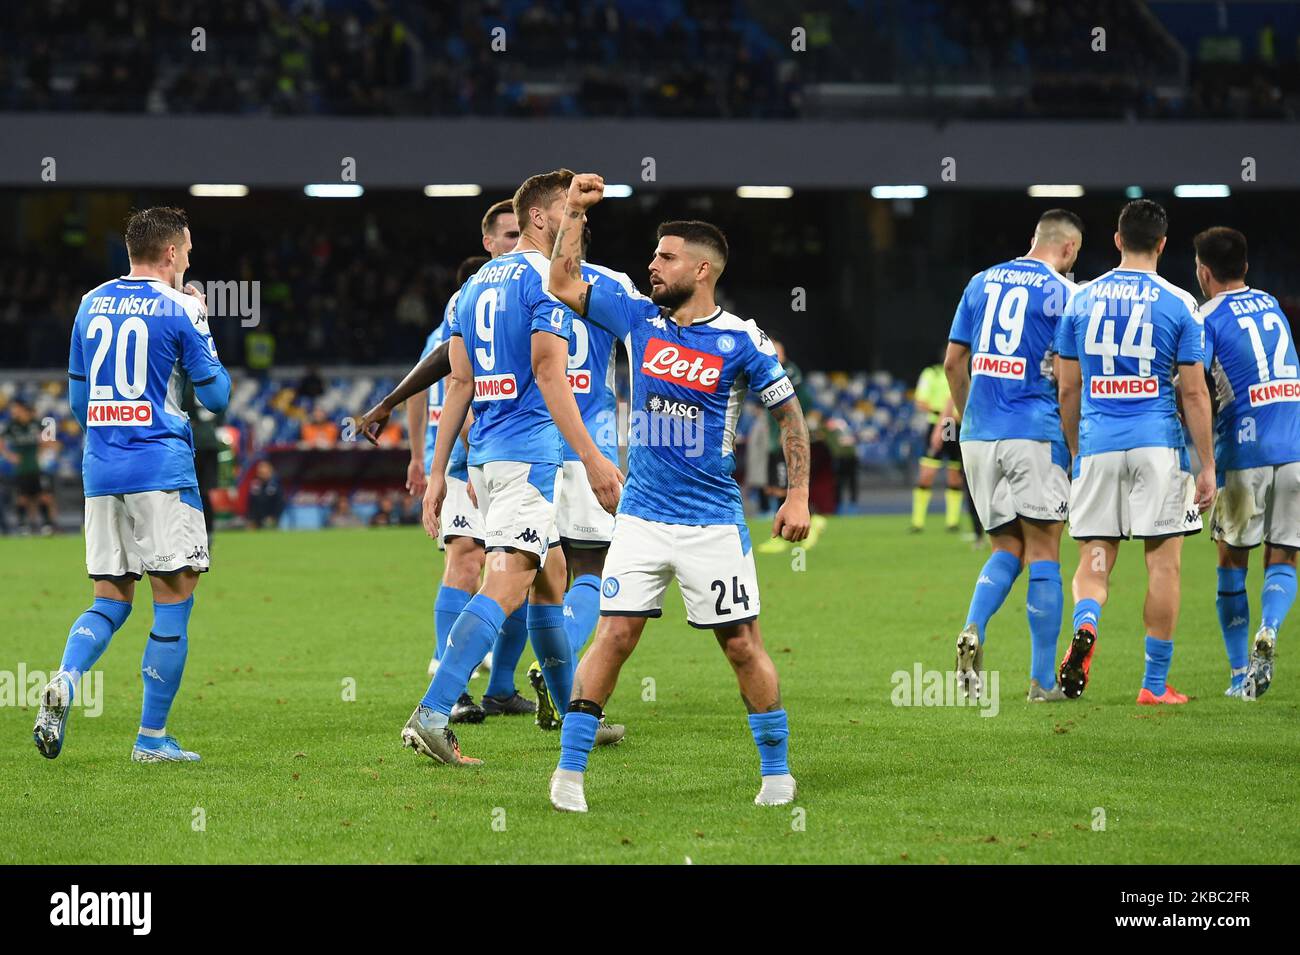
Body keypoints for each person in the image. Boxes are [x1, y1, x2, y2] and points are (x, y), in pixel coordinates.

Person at [545, 173, 811, 813]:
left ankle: (777, 774)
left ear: (703, 268)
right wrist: (574, 215)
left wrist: (797, 494)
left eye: (665, 258)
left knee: (742, 644)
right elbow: (560, 283)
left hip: (713, 522)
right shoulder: (637, 316)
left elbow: (791, 417)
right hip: (640, 516)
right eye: (654, 256)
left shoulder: (743, 341)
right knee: (614, 637)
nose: (652, 266)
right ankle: (568, 775)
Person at [401, 169, 625, 765]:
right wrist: (595, 458)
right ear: (540, 220)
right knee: (508, 581)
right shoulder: (543, 283)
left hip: (486, 456)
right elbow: (552, 376)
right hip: (529, 453)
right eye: (570, 215)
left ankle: (576, 713)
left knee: (551, 586)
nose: (578, 225)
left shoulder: (474, 285)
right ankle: (432, 710)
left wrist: (439, 472)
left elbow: (460, 383)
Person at [34, 206, 230, 763]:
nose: (190, 258)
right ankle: (151, 739)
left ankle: (67, 679)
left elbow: (78, 401)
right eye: (187, 250)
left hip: (102, 469)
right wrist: (204, 324)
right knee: (172, 599)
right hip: (161, 472)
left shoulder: (90, 301)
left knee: (110, 597)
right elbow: (216, 400)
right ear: (170, 252)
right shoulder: (182, 308)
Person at [1054, 199, 1215, 705]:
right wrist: (1207, 465)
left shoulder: (1080, 299)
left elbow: (1066, 389)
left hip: (1099, 447)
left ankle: (1087, 623)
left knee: (1096, 559)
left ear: (1117, 240)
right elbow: (1193, 393)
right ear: (1163, 245)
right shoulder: (1180, 303)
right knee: (1163, 565)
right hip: (1157, 449)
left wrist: (1078, 450)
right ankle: (1153, 685)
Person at [944, 210, 1082, 702]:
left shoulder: (980, 282)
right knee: (1045, 552)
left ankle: (972, 626)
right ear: (1068, 250)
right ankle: (1043, 682)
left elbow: (952, 362)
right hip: (1035, 433)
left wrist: (969, 419)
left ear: (1034, 239)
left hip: (979, 435)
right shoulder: (1068, 294)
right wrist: (1075, 445)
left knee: (1008, 548)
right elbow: (1069, 383)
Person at [1195, 226, 1299, 700]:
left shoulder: (1205, 318)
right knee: (1284, 554)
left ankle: (1241, 674)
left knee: (1232, 559)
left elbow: (1196, 390)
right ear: (1246, 267)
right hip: (1294, 449)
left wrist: (1200, 458)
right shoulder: (1273, 304)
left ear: (1203, 271)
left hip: (1243, 452)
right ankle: (1270, 628)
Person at [912, 352, 965, 532]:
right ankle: (917, 522)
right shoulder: (932, 373)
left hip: (953, 424)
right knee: (927, 472)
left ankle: (952, 522)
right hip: (938, 422)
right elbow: (920, 401)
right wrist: (943, 412)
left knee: (954, 473)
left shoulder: (963, 371)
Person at [0, 398, 57, 534]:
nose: (13, 412)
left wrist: (42, 451)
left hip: (37, 466)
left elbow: (49, 440)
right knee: (22, 497)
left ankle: (46, 525)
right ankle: (22, 525)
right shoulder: (11, 425)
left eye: (16, 409)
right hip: (21, 468)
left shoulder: (35, 423)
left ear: (23, 409)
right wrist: (9, 455)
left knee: (44, 495)